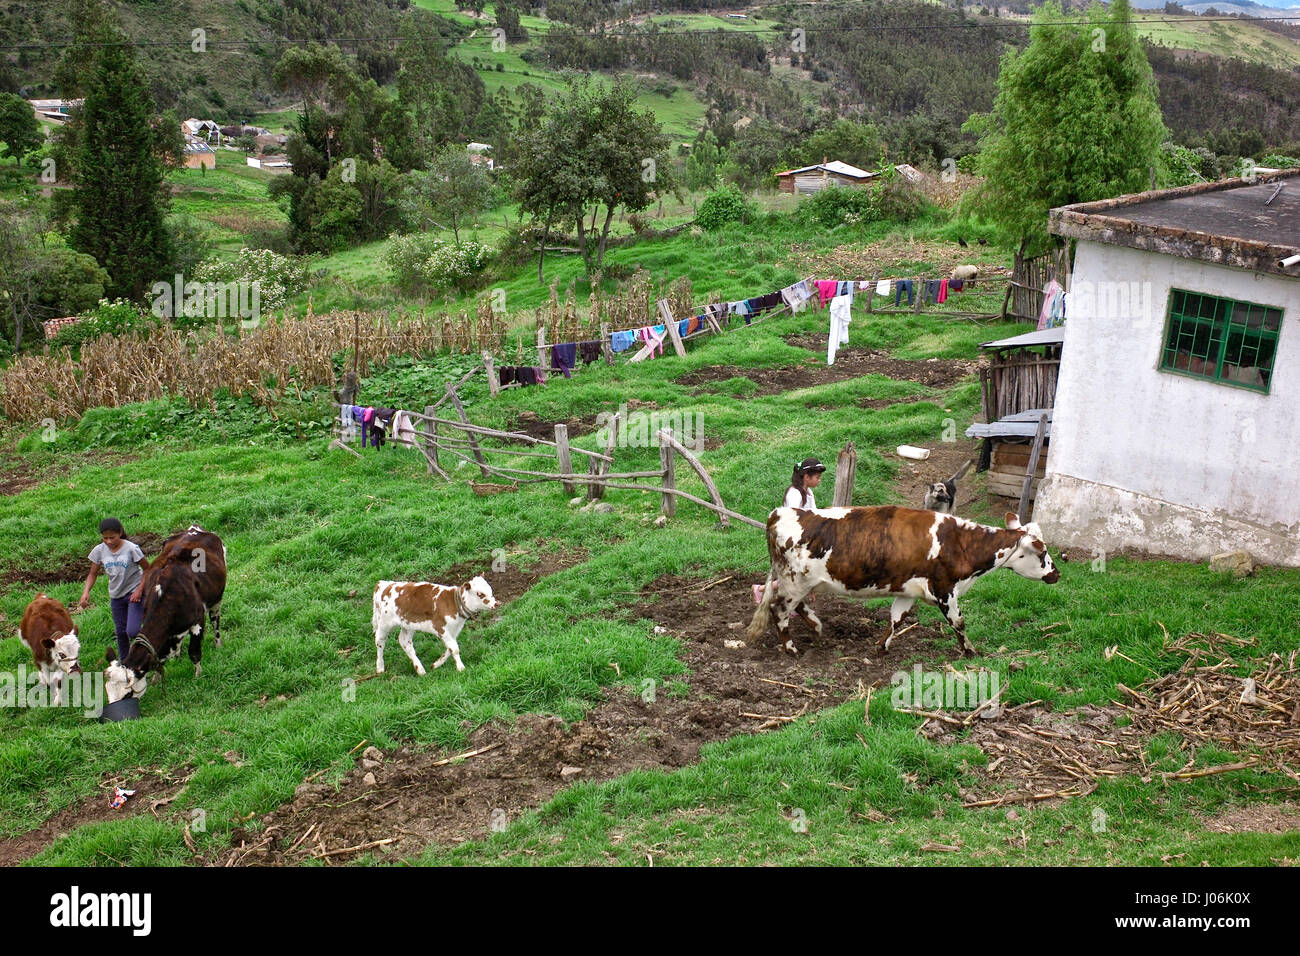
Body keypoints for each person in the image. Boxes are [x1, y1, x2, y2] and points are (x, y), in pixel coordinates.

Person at [754, 458, 828, 604]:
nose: (819, 480)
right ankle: (762, 590)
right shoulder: (794, 494)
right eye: (817, 477)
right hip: (791, 539)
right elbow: (796, 519)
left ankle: (767, 592)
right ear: (807, 477)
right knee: (796, 574)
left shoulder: (808, 493)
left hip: (804, 538)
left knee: (798, 574)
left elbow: (813, 514)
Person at [79, 518, 150, 662]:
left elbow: (148, 570)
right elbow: (92, 573)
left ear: (120, 533)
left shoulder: (131, 549)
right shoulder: (99, 550)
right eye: (105, 538)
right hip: (116, 596)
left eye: (112, 537)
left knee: (132, 630)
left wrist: (139, 590)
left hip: (133, 594)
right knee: (121, 632)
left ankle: (148, 649)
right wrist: (86, 592)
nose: (109, 541)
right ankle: (125, 662)